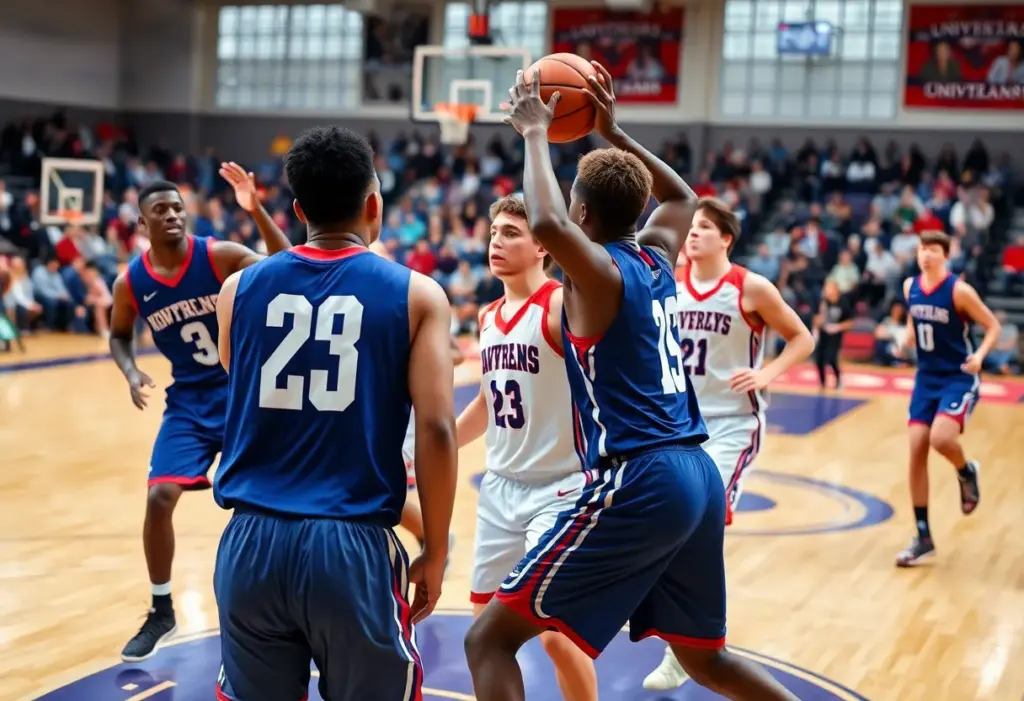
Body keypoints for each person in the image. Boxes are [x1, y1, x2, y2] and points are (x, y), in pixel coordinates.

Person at [464, 63, 798, 701]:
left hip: (640, 476)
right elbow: (680, 199)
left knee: (487, 639)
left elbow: (548, 223)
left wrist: (537, 134)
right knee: (708, 662)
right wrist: (611, 130)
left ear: (581, 215)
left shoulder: (597, 275)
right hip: (696, 471)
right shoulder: (656, 255)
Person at [211, 126, 458, 700]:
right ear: (374, 204)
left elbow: (240, 381)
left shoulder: (236, 289)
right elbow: (438, 428)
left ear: (297, 208)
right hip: (349, 546)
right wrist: (437, 551)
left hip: (249, 543)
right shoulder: (418, 294)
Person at [109, 177, 291, 662]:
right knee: (159, 495)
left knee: (277, 495)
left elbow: (286, 262)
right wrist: (130, 371)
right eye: (161, 210)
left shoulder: (218, 255)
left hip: (242, 391)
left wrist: (254, 210)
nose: (172, 215)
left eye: (177, 208)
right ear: (142, 222)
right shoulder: (131, 282)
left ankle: (279, 604)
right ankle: (161, 608)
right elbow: (119, 335)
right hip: (188, 401)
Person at [643, 197, 814, 691]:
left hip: (734, 425)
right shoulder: (670, 284)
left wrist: (767, 373)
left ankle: (689, 644)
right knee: (674, 523)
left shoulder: (750, 287)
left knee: (698, 520)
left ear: (726, 239)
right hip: (678, 423)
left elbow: (801, 337)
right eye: (690, 227)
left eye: (702, 227)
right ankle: (685, 638)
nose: (691, 234)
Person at [456, 194, 598, 701]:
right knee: (483, 635)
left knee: (557, 637)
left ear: (542, 245)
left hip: (559, 491)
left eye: (512, 232)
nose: (497, 240)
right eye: (494, 231)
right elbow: (487, 400)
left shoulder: (563, 304)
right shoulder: (489, 314)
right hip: (499, 492)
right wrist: (439, 443)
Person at [895, 230, 1000, 567]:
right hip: (925, 379)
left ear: (946, 254)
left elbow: (993, 325)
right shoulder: (910, 286)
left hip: (957, 377)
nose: (926, 255)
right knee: (915, 450)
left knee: (941, 438)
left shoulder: (959, 290)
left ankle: (965, 470)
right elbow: (915, 325)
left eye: (933, 250)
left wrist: (981, 355)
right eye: (922, 249)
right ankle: (923, 536)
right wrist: (904, 341)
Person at [812, 280, 854, 389]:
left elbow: (850, 322)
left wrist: (837, 327)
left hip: (835, 335)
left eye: (830, 288)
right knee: (819, 359)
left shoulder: (843, 302)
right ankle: (822, 383)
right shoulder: (823, 302)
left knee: (832, 358)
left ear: (836, 289)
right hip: (823, 333)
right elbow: (816, 319)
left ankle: (838, 380)